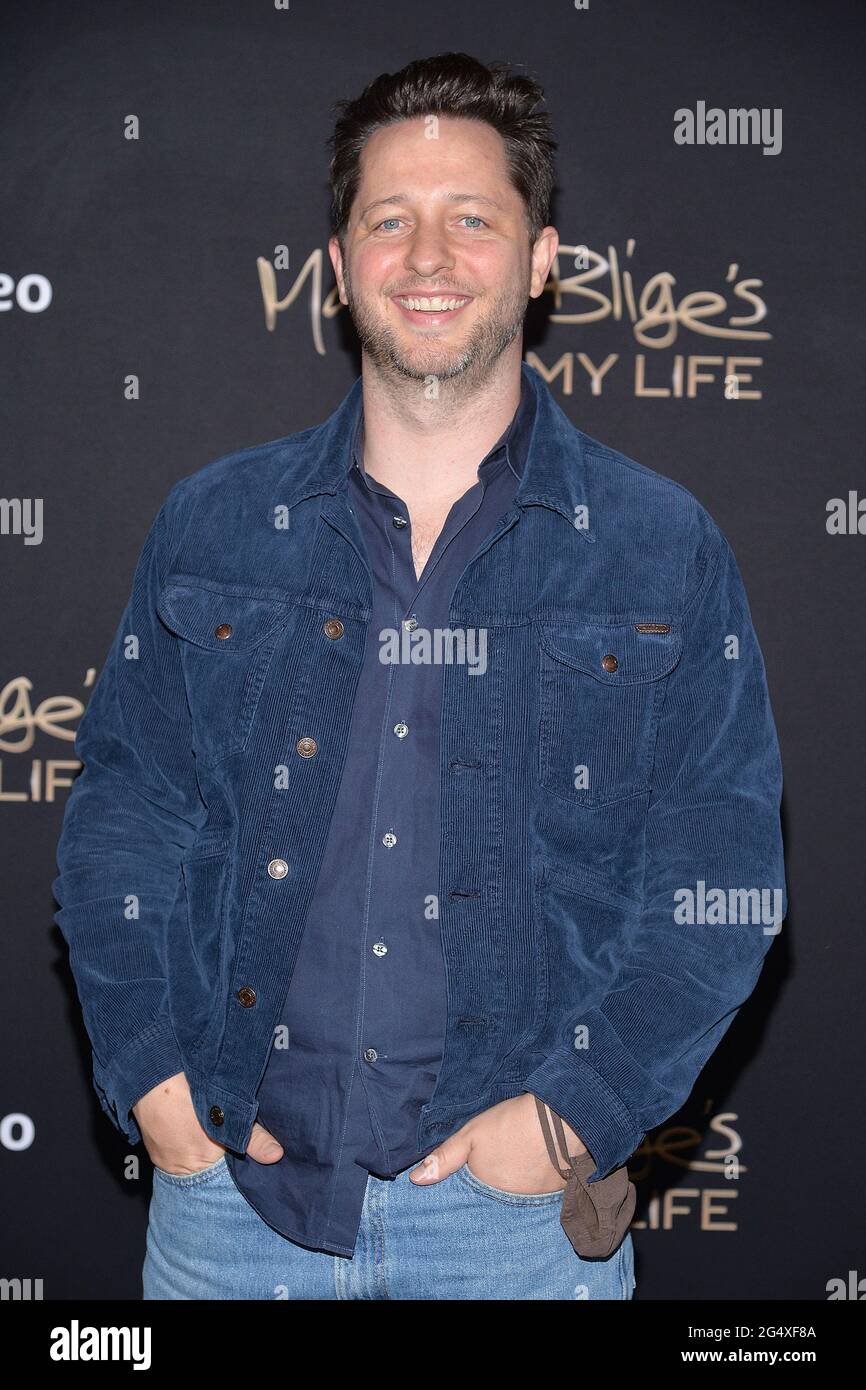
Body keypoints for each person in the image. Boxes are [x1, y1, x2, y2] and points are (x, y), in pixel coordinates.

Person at [53, 52, 786, 1301]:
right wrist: (154, 1085)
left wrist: (569, 1119)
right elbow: (126, 816)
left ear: (541, 258)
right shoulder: (214, 524)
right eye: (388, 219)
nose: (427, 254)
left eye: (470, 219)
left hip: (510, 1237)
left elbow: (717, 878)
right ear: (337, 268)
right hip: (232, 1209)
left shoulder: (660, 547)